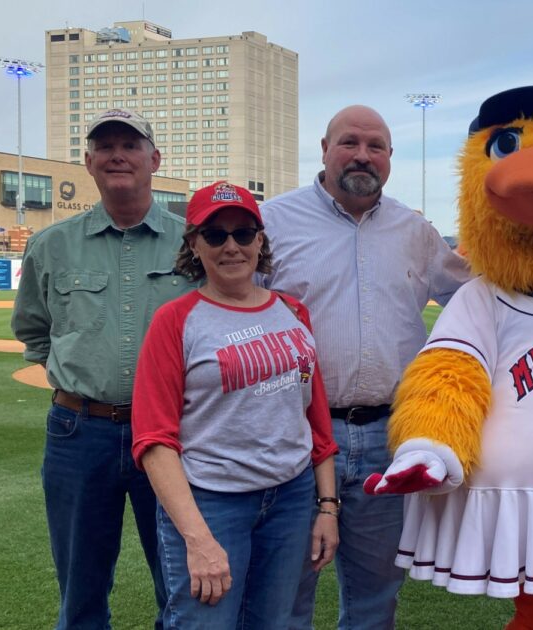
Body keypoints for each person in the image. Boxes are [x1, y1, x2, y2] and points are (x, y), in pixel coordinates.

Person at [261, 105, 470, 630]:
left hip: (388, 434)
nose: (362, 155)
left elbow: (471, 297)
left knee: (377, 594)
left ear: (391, 157)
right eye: (349, 142)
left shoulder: (415, 230)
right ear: (325, 148)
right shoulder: (273, 223)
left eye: (375, 146)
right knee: (288, 590)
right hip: (298, 434)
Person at [11, 108, 195, 629]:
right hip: (78, 432)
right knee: (81, 587)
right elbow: (33, 329)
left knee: (180, 580)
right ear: (88, 162)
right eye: (105, 145)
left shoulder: (191, 243)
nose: (118, 154)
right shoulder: (52, 244)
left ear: (154, 159)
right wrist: (80, 376)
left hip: (171, 434)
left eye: (131, 145)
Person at [132, 182, 339, 628]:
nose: (231, 246)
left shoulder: (293, 311)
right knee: (205, 622)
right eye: (215, 234)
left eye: (243, 233)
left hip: (291, 497)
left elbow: (316, 419)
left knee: (274, 622)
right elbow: (154, 439)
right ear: (193, 243)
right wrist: (197, 537)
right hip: (212, 501)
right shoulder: (176, 320)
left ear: (260, 240)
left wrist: (327, 507)